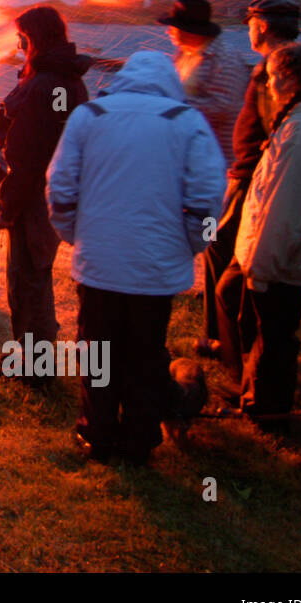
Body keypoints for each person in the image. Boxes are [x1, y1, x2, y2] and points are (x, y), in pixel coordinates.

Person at [47, 51, 225, 465]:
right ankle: (140, 439)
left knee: (99, 353)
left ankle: (97, 434)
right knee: (146, 354)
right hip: (155, 270)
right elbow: (207, 197)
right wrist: (190, 244)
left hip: (99, 265)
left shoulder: (89, 116)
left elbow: (59, 188)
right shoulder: (187, 122)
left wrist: (76, 236)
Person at [224, 43, 301, 431]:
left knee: (274, 335)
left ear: (291, 78)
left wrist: (263, 267)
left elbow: (290, 207)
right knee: (253, 317)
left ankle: (268, 412)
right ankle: (253, 395)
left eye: (274, 77)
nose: (270, 84)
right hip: (273, 255)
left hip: (278, 258)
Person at [201, 0, 301, 370]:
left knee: (223, 253)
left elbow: (276, 132)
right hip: (253, 175)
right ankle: (235, 336)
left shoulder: (274, 69)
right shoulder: (286, 64)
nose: (248, 31)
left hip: (253, 178)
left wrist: (252, 175)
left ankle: (225, 341)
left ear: (260, 27)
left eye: (250, 24)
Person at [0, 7, 90, 358]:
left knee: (27, 279)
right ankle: (36, 355)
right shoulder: (63, 79)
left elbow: (31, 156)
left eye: (24, 38)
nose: (19, 43)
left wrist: (9, 206)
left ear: (36, 39)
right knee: (35, 274)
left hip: (34, 198)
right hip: (50, 192)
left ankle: (34, 364)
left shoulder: (48, 83)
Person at [158, 0, 250, 165]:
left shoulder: (225, 59)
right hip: (190, 154)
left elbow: (223, 107)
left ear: (187, 29)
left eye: (172, 27)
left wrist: (168, 105)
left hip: (217, 158)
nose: (168, 32)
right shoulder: (183, 54)